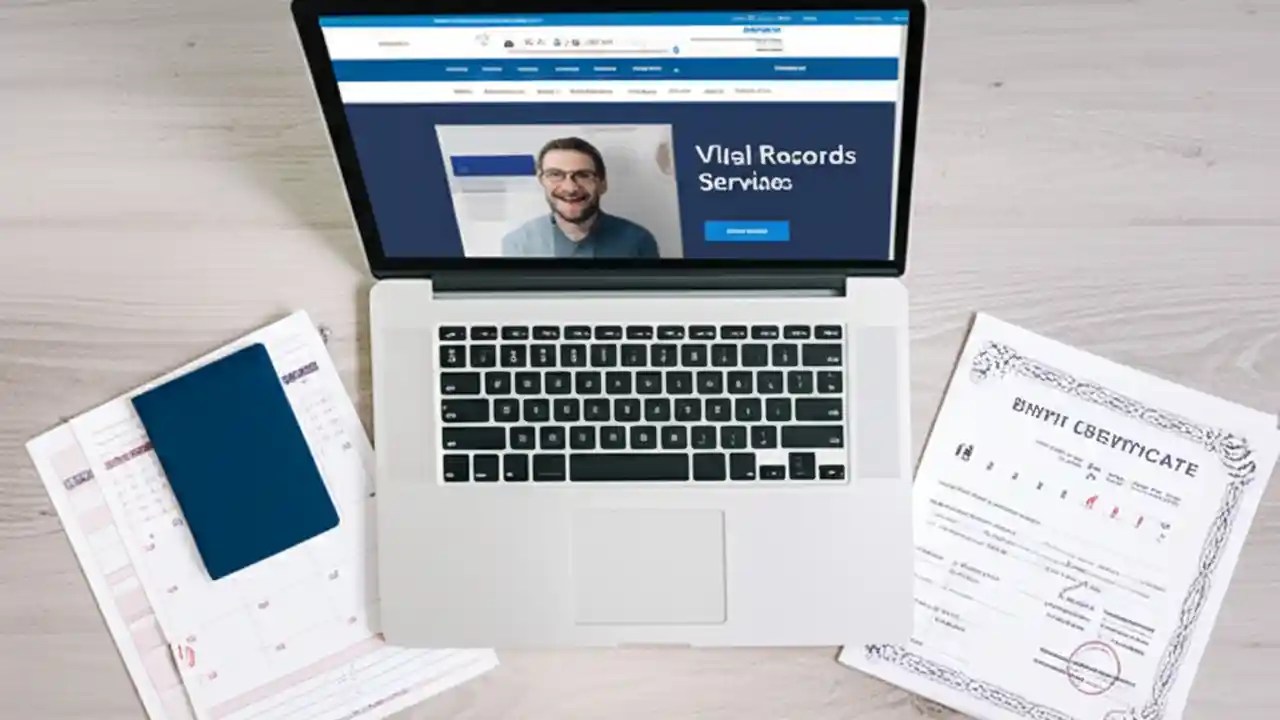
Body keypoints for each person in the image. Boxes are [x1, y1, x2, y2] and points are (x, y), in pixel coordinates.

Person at [502, 137, 660, 258]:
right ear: (541, 181)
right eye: (555, 174)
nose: (570, 188)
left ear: (602, 183)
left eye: (583, 175)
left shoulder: (637, 241)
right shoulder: (518, 244)